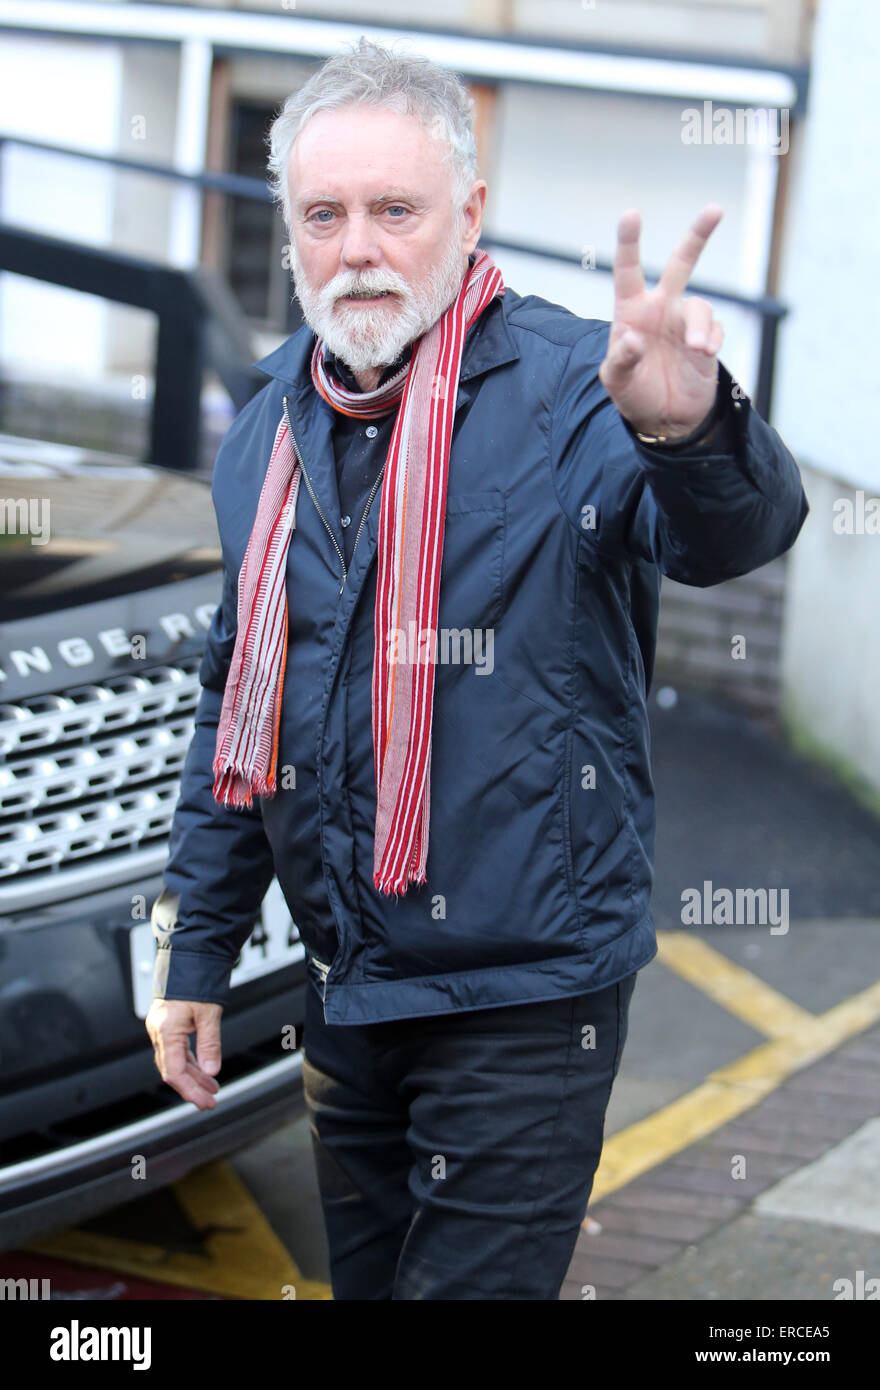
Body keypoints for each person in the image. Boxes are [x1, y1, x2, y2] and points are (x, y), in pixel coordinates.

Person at [145, 38, 808, 1300]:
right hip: (345, 989)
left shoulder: (575, 390)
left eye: (395, 211)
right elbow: (237, 713)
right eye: (323, 215)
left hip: (524, 1002)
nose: (357, 249)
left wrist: (688, 425)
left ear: (470, 216)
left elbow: (733, 535)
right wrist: (191, 955)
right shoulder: (268, 424)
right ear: (286, 232)